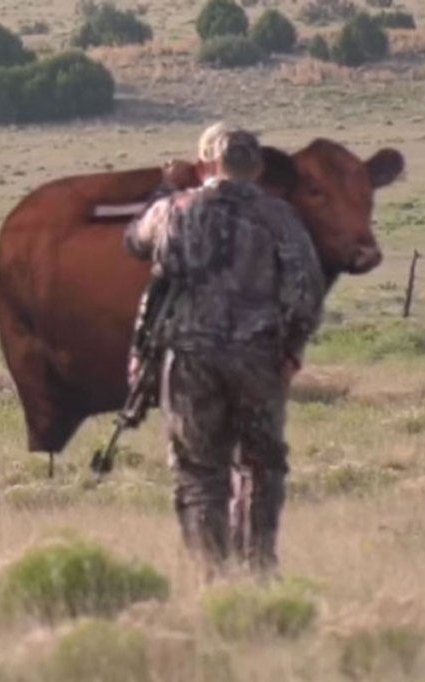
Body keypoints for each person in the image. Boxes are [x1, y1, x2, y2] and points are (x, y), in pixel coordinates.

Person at [123, 122, 326, 578]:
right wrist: (290, 349)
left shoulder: (173, 210)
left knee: (199, 474)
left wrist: (167, 190)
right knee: (261, 466)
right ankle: (258, 572)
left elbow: (134, 243)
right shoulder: (280, 218)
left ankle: (211, 578)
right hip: (259, 359)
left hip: (189, 359)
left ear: (205, 164)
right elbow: (306, 290)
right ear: (255, 168)